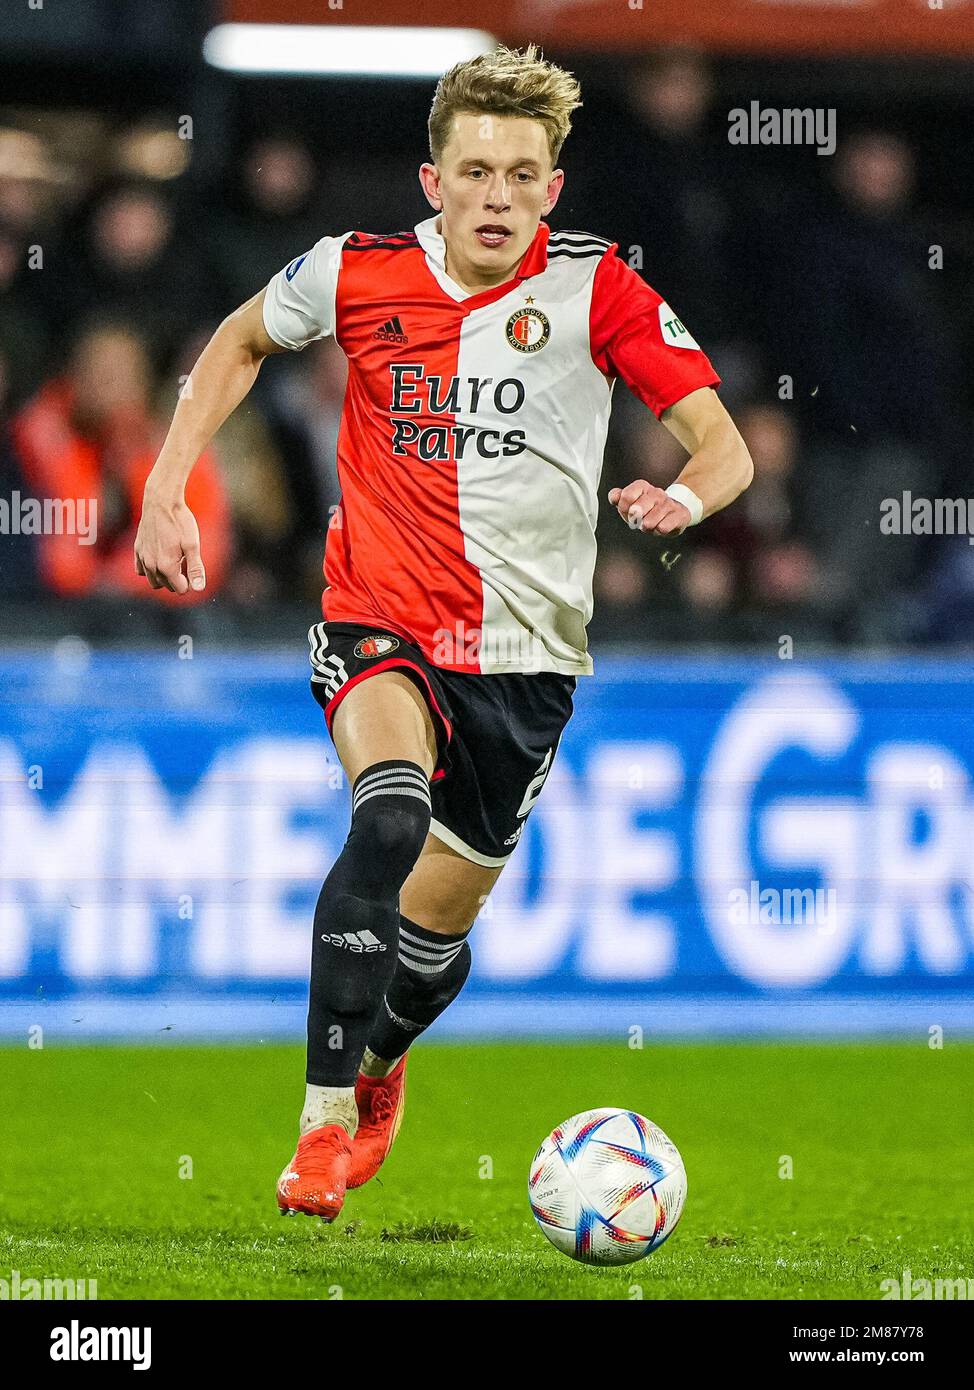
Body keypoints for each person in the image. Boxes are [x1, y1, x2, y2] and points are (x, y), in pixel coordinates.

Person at [133, 45, 753, 1222]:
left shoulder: (601, 292)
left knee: (429, 945)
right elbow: (236, 339)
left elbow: (723, 445)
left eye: (522, 174)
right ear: (433, 180)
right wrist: (168, 485)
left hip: (526, 662)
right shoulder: (353, 273)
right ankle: (318, 1126)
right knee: (388, 817)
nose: (496, 197)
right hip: (378, 620)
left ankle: (379, 1062)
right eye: (474, 171)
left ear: (552, 190)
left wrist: (685, 497)